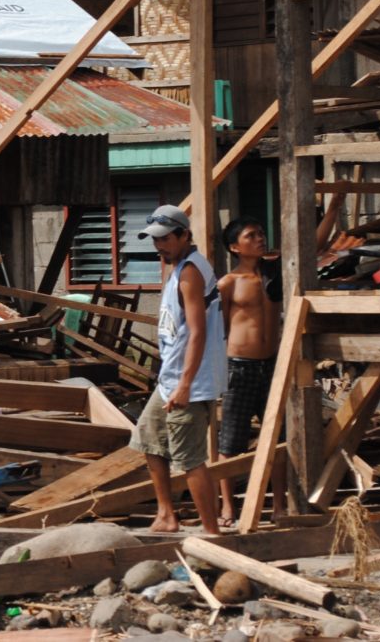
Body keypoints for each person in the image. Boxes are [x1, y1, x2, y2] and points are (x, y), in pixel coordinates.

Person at [129, 204, 225, 534]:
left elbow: (198, 332)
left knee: (189, 458)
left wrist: (185, 384)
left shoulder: (190, 273)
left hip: (190, 381)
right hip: (171, 378)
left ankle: (213, 532)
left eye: (166, 238)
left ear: (185, 235)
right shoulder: (178, 267)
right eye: (155, 240)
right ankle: (167, 514)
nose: (159, 246)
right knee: (148, 437)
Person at [215, 217, 288, 527]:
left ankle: (280, 505)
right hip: (239, 367)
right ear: (235, 247)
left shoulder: (275, 273)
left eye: (261, 232)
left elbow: (316, 243)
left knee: (279, 438)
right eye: (251, 235)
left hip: (272, 365)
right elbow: (216, 328)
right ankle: (229, 507)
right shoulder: (228, 283)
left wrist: (333, 208)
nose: (260, 238)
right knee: (231, 441)